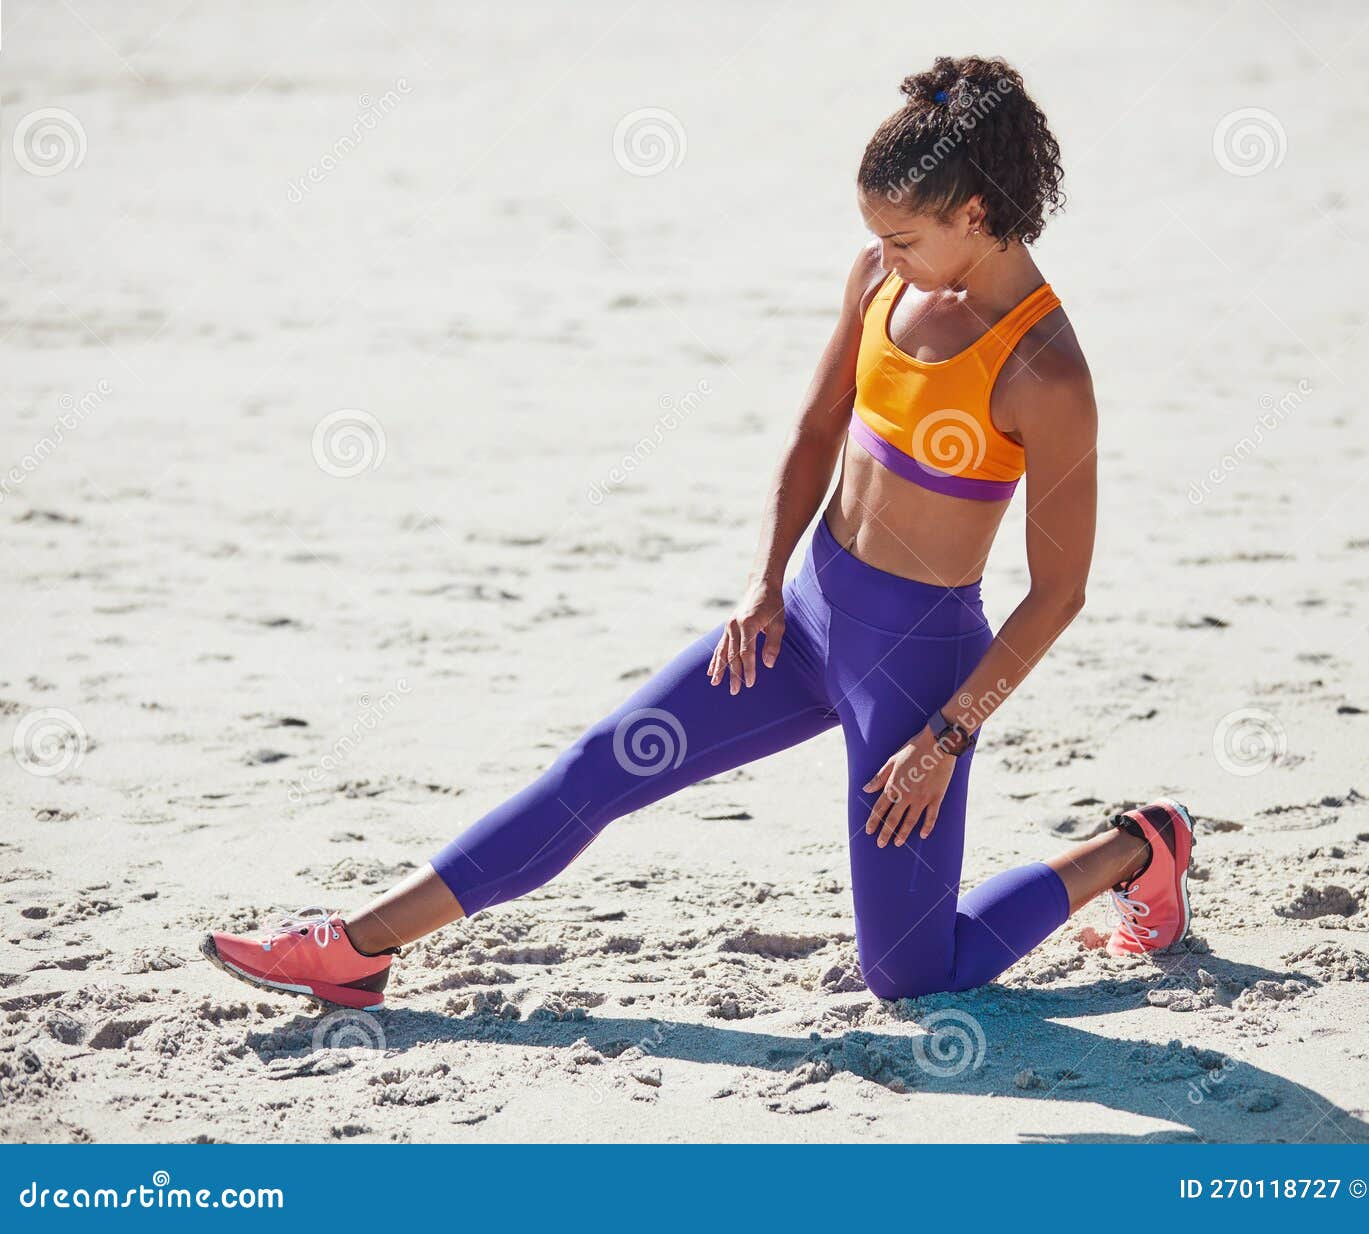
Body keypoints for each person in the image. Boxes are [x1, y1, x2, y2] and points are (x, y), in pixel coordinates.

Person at [202, 54, 1195, 1012]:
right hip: (802, 620)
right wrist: (764, 583)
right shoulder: (880, 282)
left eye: (903, 238)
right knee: (600, 766)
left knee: (910, 975)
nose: (884, 257)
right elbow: (816, 433)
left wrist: (944, 735)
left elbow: (1057, 592)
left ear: (973, 215)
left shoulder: (1046, 372)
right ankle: (356, 947)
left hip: (917, 672)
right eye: (877, 237)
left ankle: (1134, 849)